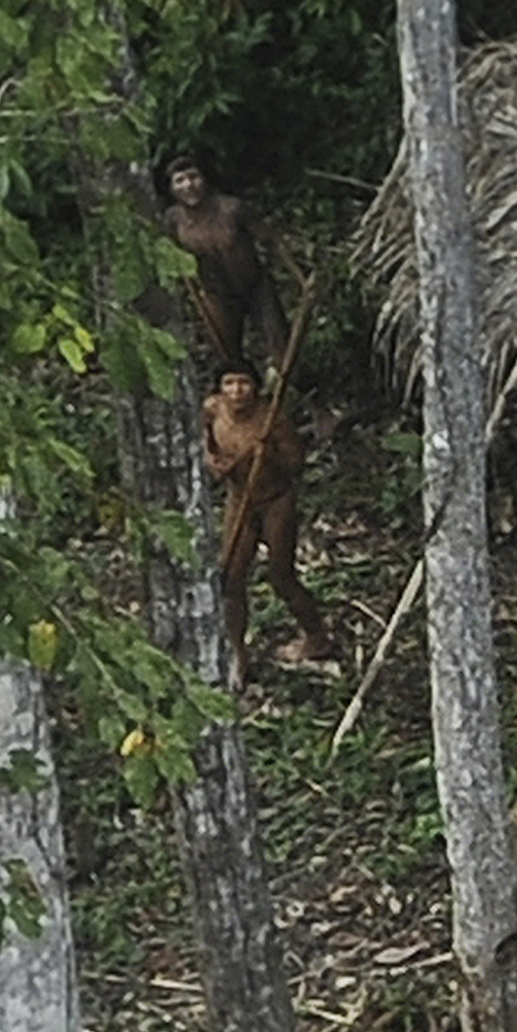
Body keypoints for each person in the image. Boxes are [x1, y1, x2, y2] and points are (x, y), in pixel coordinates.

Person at [201, 360, 333, 688]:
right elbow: (205, 439)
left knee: (281, 576)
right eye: (229, 383)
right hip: (239, 501)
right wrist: (213, 460)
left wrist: (270, 453)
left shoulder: (271, 417)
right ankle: (238, 654)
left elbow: (295, 464)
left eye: (244, 383)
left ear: (256, 388)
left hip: (276, 500)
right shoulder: (213, 410)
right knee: (231, 579)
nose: (237, 392)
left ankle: (316, 637)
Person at [164, 156, 290, 370]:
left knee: (279, 343)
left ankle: (289, 383)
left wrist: (300, 277)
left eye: (193, 177)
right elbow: (172, 255)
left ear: (205, 179)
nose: (189, 185)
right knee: (226, 352)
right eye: (180, 180)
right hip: (216, 294)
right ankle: (244, 385)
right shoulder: (174, 220)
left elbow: (271, 240)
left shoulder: (232, 209)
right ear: (172, 188)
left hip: (255, 285)